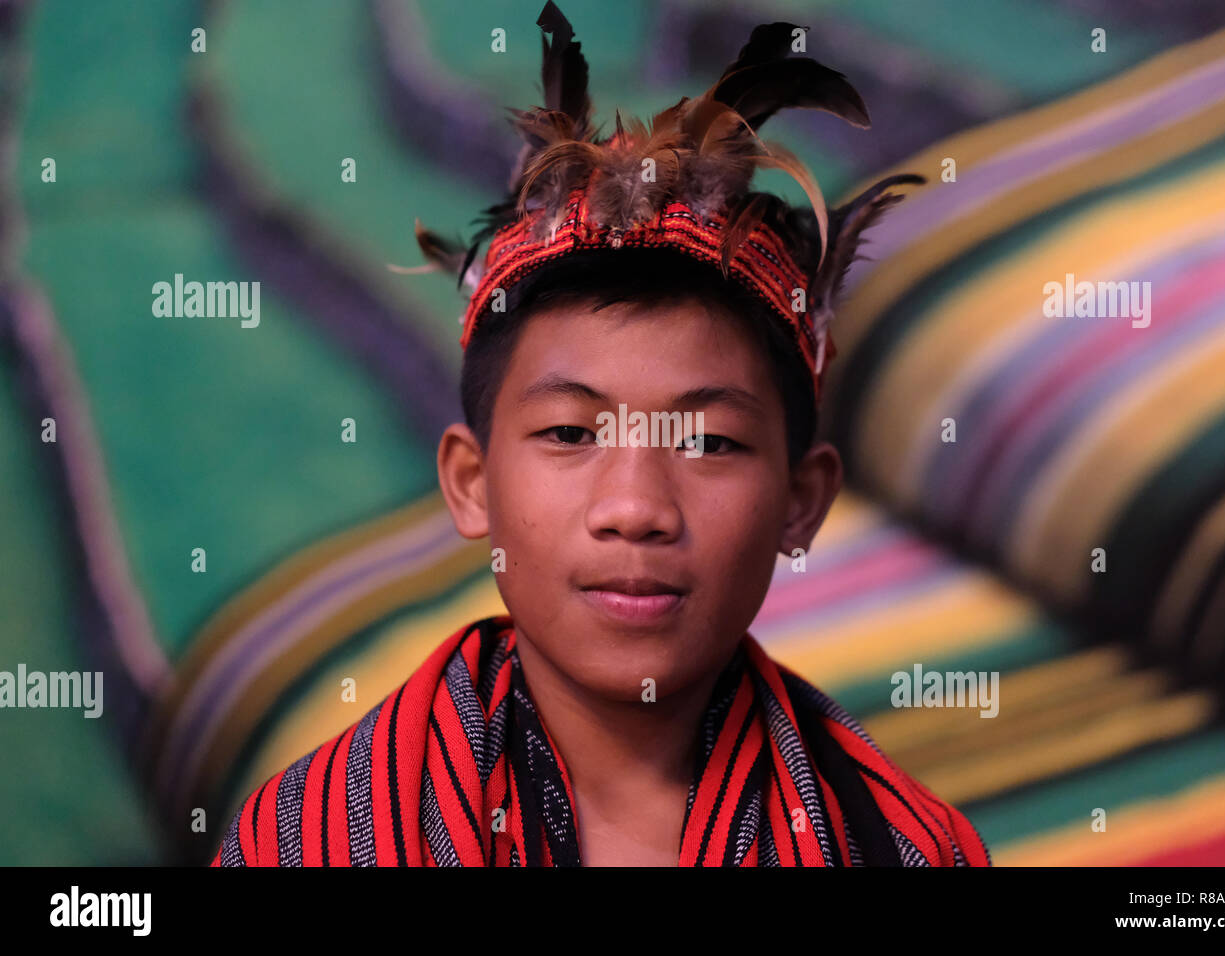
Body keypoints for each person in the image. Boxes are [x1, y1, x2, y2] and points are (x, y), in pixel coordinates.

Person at [211, 1, 990, 867]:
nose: (634, 508)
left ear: (800, 503)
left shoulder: (895, 847)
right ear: (472, 482)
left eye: (708, 443)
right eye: (572, 433)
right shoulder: (318, 837)